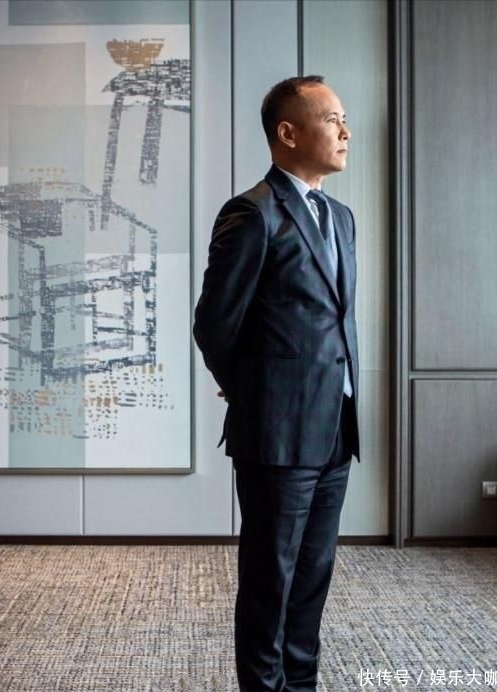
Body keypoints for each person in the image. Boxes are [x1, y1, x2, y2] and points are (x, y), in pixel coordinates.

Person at [193, 75, 360, 692]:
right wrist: (250, 388)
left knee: (313, 578)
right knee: (271, 581)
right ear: (288, 133)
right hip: (277, 432)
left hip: (336, 426)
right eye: (332, 119)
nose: (345, 131)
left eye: (345, 119)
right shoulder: (253, 212)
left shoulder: (340, 217)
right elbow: (214, 323)